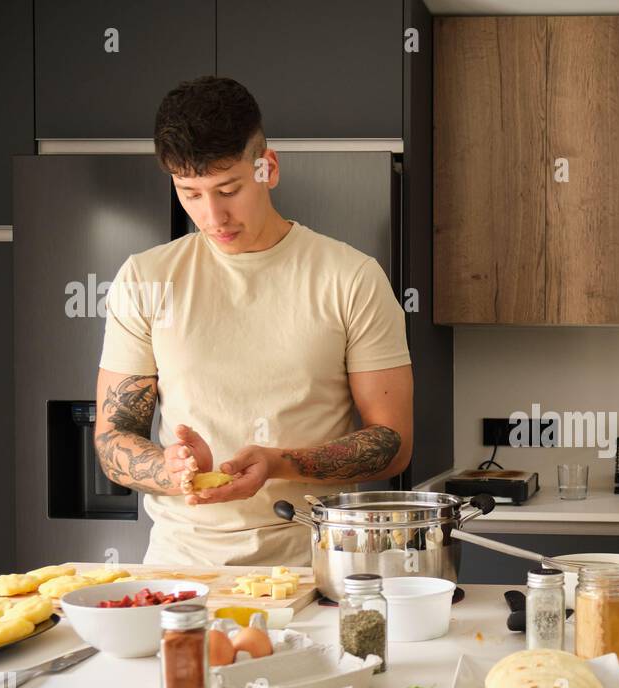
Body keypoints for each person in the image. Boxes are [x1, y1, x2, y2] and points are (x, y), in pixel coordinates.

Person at [95, 76, 413, 566]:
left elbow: (393, 444)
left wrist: (277, 464)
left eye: (229, 189)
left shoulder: (352, 278)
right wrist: (168, 468)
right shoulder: (145, 278)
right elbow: (113, 438)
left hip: (317, 564)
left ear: (268, 167)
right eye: (190, 193)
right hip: (182, 568)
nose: (213, 215)